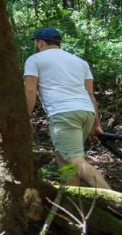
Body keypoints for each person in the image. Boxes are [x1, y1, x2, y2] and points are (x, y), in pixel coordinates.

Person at [23, 27, 110, 189]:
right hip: (86, 113)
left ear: (40, 42)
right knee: (64, 159)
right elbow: (91, 95)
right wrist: (96, 124)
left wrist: (25, 117)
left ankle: (115, 204)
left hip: (63, 114)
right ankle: (72, 207)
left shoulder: (34, 60)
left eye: (35, 42)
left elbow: (29, 90)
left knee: (76, 161)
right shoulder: (80, 62)